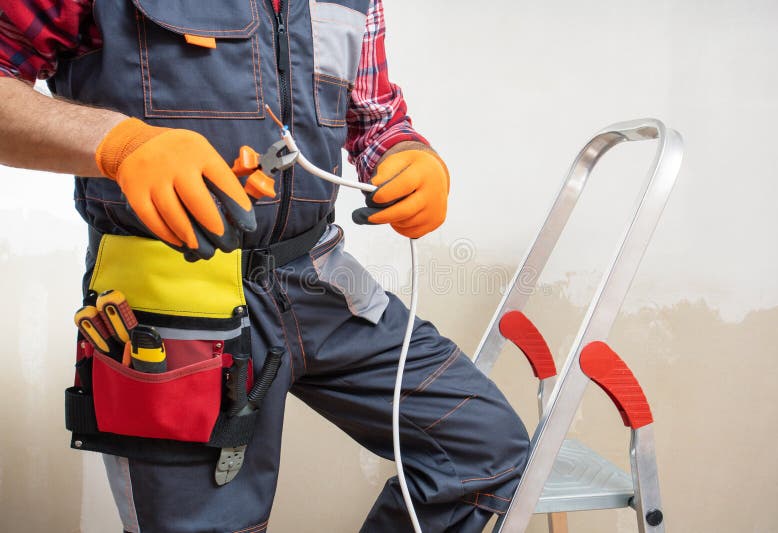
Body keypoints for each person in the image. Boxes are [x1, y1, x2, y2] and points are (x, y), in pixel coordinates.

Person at [0, 1, 530, 531]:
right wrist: (118, 145)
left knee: (482, 454)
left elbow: (375, 117)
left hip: (319, 275)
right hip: (175, 301)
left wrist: (406, 153)